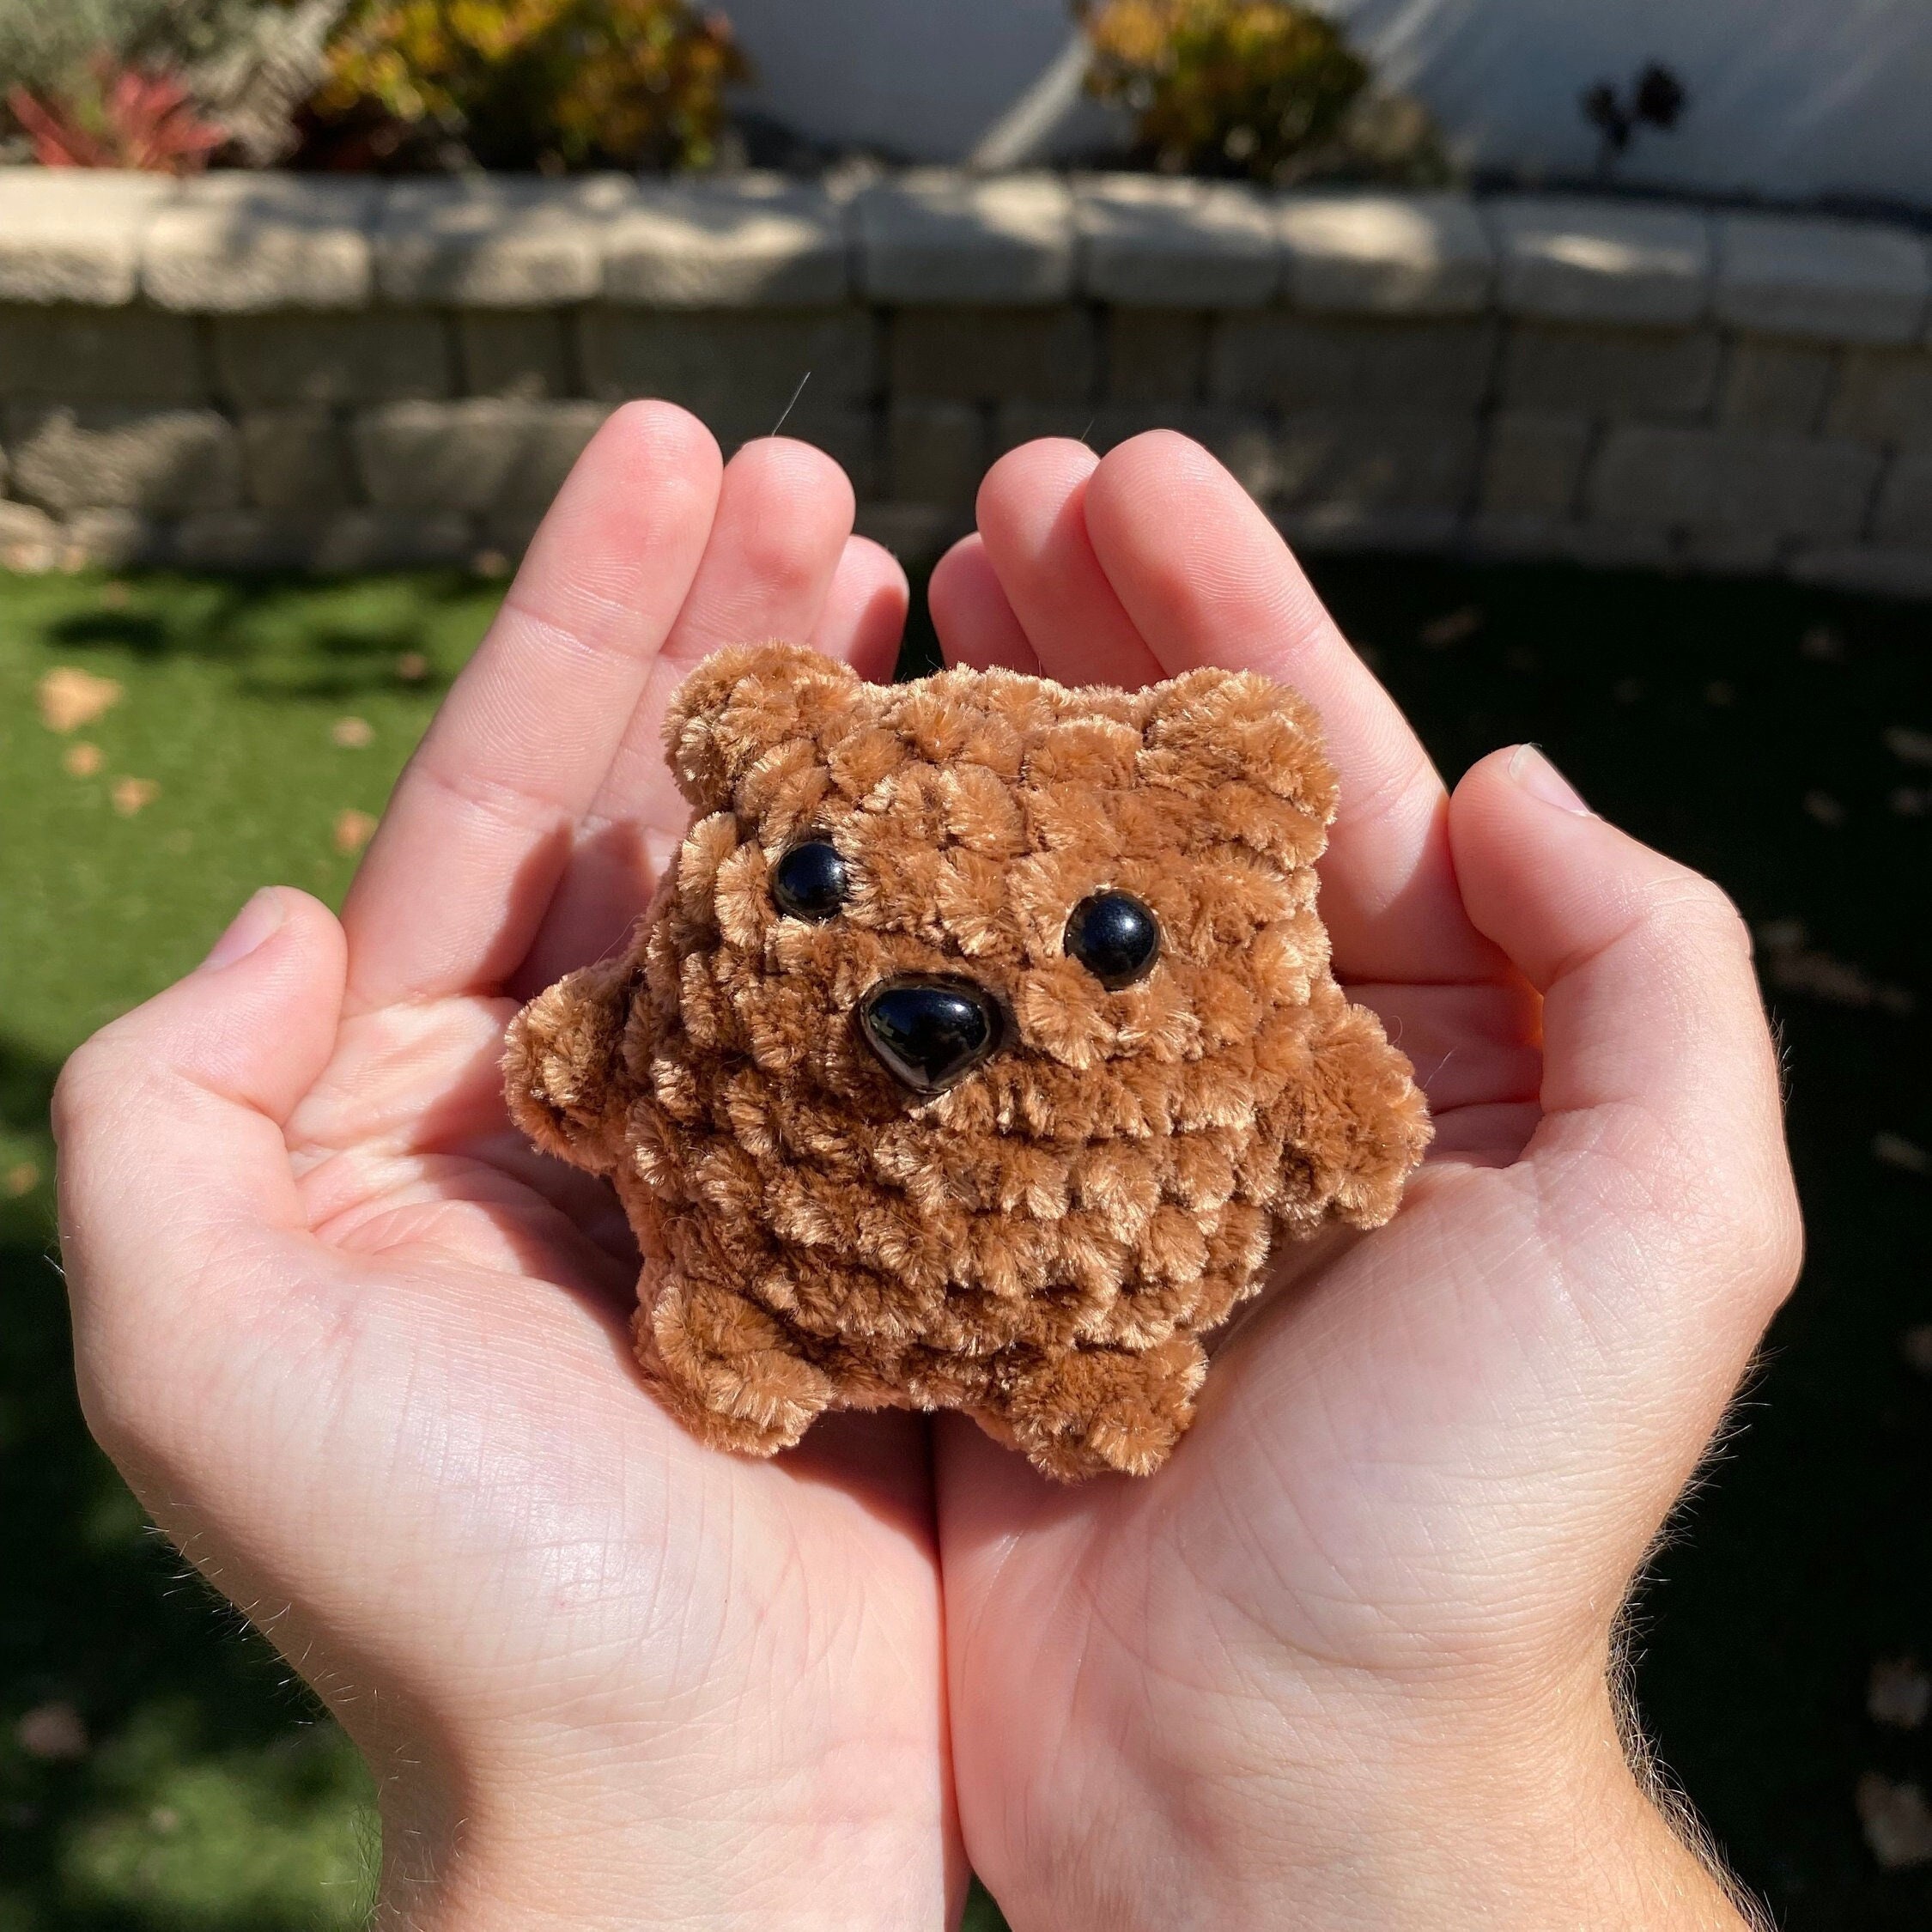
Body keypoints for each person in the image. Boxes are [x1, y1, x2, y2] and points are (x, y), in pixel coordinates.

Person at [52, 409, 1800, 1931]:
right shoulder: (691, 984)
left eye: (1113, 930)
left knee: (1122, 1324)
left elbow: (1339, 1108)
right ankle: (758, 1328)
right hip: (743, 1279)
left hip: (1108, 1332)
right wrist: (619, 1782)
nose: (939, 1014)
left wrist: (1365, 1754)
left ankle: (1071, 1361)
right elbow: (591, 1051)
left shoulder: (1233, 938)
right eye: (810, 887)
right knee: (719, 1277)